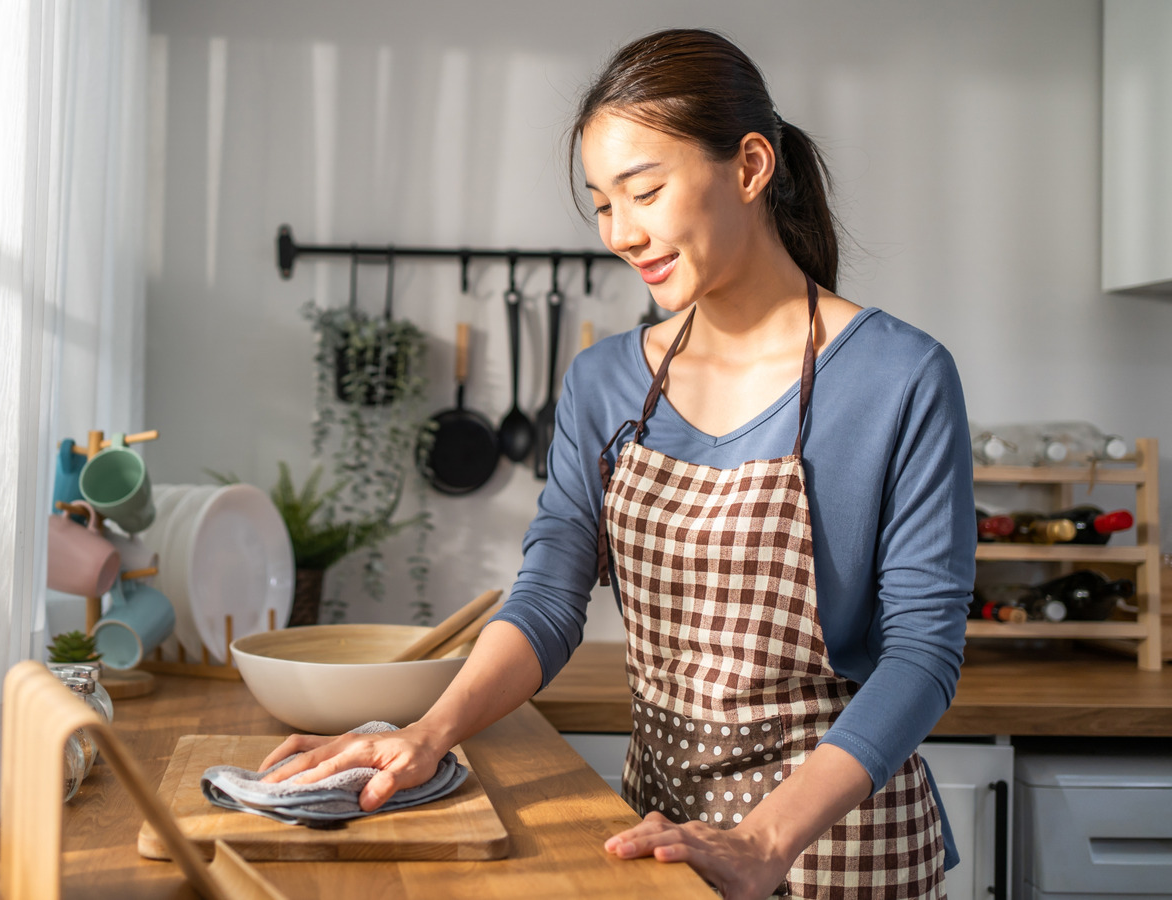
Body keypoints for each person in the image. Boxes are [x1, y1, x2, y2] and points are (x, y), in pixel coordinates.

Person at [260, 28, 973, 900]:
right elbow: (548, 598)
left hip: (834, 847)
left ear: (751, 167)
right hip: (657, 836)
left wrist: (762, 840)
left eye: (644, 191)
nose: (622, 234)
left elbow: (922, 655)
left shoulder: (898, 377)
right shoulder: (605, 381)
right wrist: (426, 732)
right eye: (602, 204)